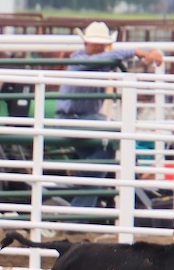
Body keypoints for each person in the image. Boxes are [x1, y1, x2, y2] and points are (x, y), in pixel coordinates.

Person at [55, 21, 163, 209]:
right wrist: (140, 51)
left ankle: (82, 205)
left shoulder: (98, 59)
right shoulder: (81, 59)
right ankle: (87, 203)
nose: (97, 48)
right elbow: (110, 57)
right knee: (117, 136)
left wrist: (149, 50)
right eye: (94, 44)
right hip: (72, 118)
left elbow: (111, 56)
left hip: (84, 119)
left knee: (106, 150)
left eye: (100, 44)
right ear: (86, 44)